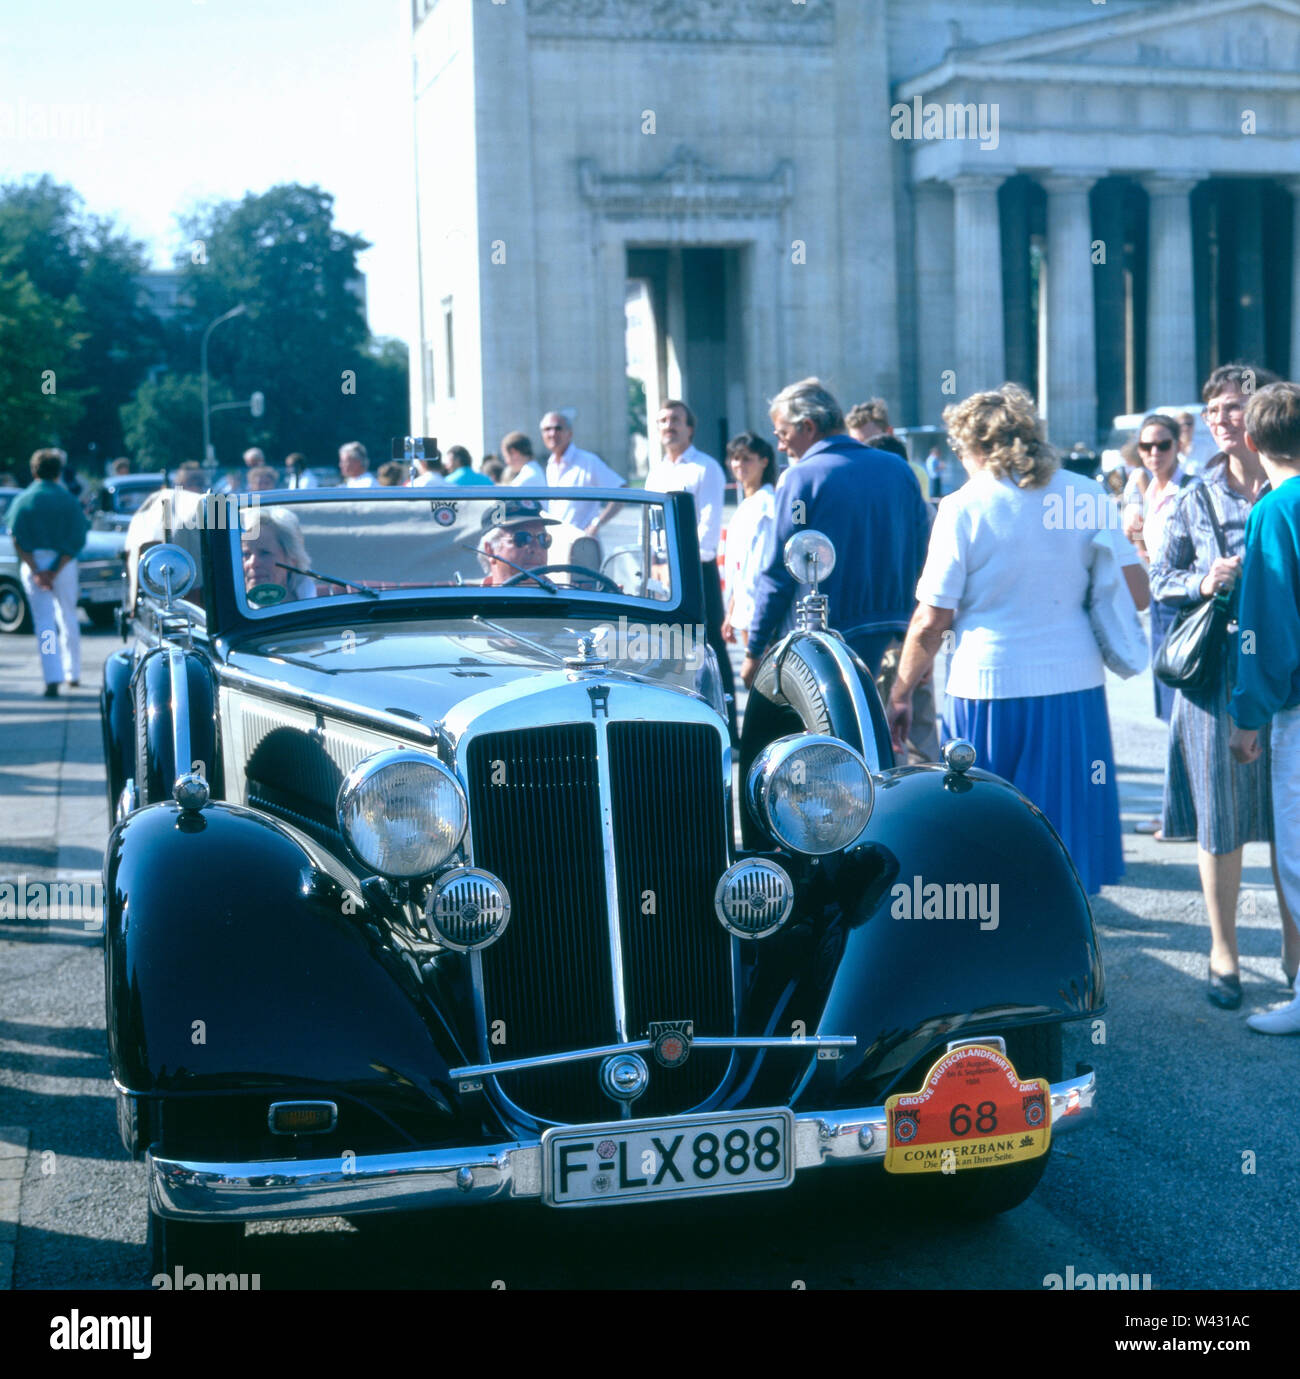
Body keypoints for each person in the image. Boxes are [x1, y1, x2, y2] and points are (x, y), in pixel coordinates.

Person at [885, 383, 1132, 896]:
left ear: (973, 445)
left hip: (987, 684)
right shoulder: (1086, 495)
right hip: (1073, 683)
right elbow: (1137, 590)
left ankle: (998, 947)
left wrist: (901, 691)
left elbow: (932, 619)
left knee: (986, 834)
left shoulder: (963, 506)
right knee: (1065, 834)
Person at [1152, 362, 1296, 1007]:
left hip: (1283, 679)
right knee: (1223, 821)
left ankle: (1295, 954)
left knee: (1287, 826)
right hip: (1217, 680)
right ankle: (1224, 952)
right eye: (1211, 411)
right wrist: (1203, 582)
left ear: (1262, 417)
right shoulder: (1193, 498)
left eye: (1234, 408)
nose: (1221, 420)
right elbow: (1161, 581)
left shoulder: (1280, 494)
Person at [742, 377, 930, 688]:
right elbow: (924, 557)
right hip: (897, 639)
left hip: (827, 647)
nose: (780, 445)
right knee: (887, 734)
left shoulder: (800, 478)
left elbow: (779, 571)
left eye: (783, 434)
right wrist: (921, 644)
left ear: (808, 427)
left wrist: (754, 648)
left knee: (827, 736)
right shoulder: (899, 469)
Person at [1227, 382, 1300, 1032]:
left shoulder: (1275, 510)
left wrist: (1248, 713)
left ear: (1251, 442)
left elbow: (1269, 624)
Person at [646, 400, 734, 729]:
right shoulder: (657, 472)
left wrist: (684, 569)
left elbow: (708, 526)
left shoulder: (705, 468)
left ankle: (728, 730)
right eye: (663, 420)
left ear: (690, 427)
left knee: (709, 647)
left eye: (676, 420)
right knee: (666, 648)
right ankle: (680, 724)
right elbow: (651, 525)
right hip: (660, 572)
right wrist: (655, 566)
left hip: (697, 570)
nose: (669, 426)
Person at [7, 449, 89, 696]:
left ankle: (51, 676)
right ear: (58, 471)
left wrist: (37, 570)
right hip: (63, 563)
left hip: (34, 563)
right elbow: (78, 537)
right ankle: (72, 672)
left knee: (44, 623)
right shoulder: (68, 500)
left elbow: (16, 537)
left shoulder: (23, 500)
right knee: (68, 616)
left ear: (34, 471)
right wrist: (54, 570)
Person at [720, 433, 777, 648]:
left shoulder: (768, 506)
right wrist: (731, 612)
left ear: (764, 461)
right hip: (745, 609)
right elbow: (739, 569)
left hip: (762, 612)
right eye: (735, 458)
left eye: (747, 459)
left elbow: (762, 567)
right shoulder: (746, 506)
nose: (739, 464)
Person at [541, 411, 625, 535]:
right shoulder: (551, 465)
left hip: (582, 544)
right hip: (557, 544)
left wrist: (597, 524)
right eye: (547, 429)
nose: (552, 433)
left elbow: (621, 491)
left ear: (569, 433)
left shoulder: (588, 461)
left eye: (558, 428)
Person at [240, 506, 316, 602]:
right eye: (246, 554)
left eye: (265, 553)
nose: (252, 563)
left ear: (292, 560)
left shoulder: (315, 609)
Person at [476, 498, 557, 586]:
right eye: (522, 538)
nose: (536, 549)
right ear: (490, 551)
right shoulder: (470, 598)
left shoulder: (566, 597)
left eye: (543, 538)